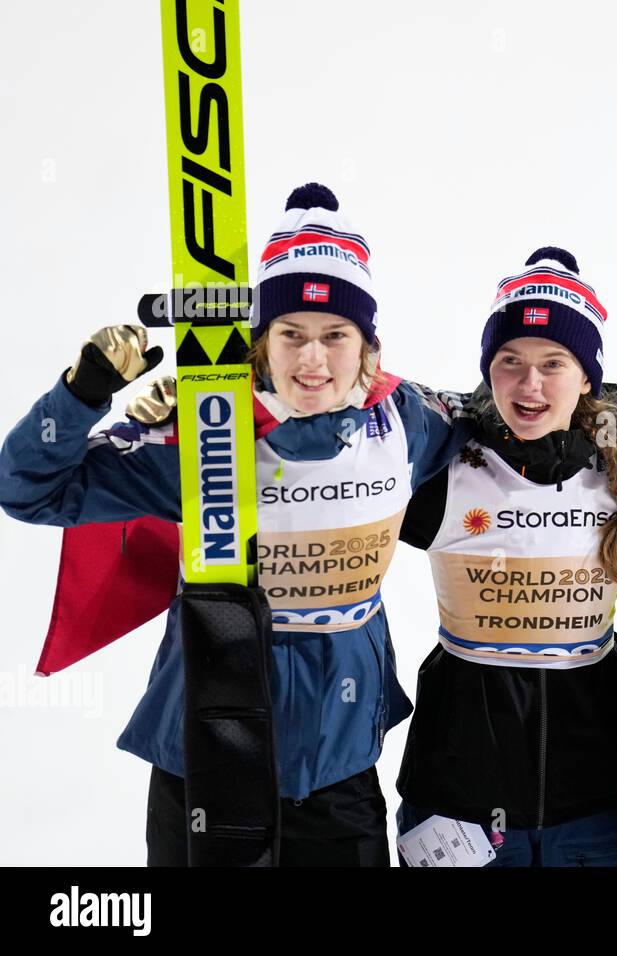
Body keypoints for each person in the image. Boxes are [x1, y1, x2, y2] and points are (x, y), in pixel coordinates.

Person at [0, 183, 471, 866]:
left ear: (368, 345)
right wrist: (82, 392)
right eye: (292, 335)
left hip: (336, 775)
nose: (313, 360)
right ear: (261, 343)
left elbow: (505, 414)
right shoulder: (202, 440)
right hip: (202, 764)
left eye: (336, 335)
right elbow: (28, 491)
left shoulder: (408, 421)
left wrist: (602, 430)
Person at [394, 247, 617, 866]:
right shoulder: (446, 468)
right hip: (460, 798)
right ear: (488, 372)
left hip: (595, 800)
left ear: (587, 376)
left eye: (553, 363)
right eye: (511, 362)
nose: (530, 385)